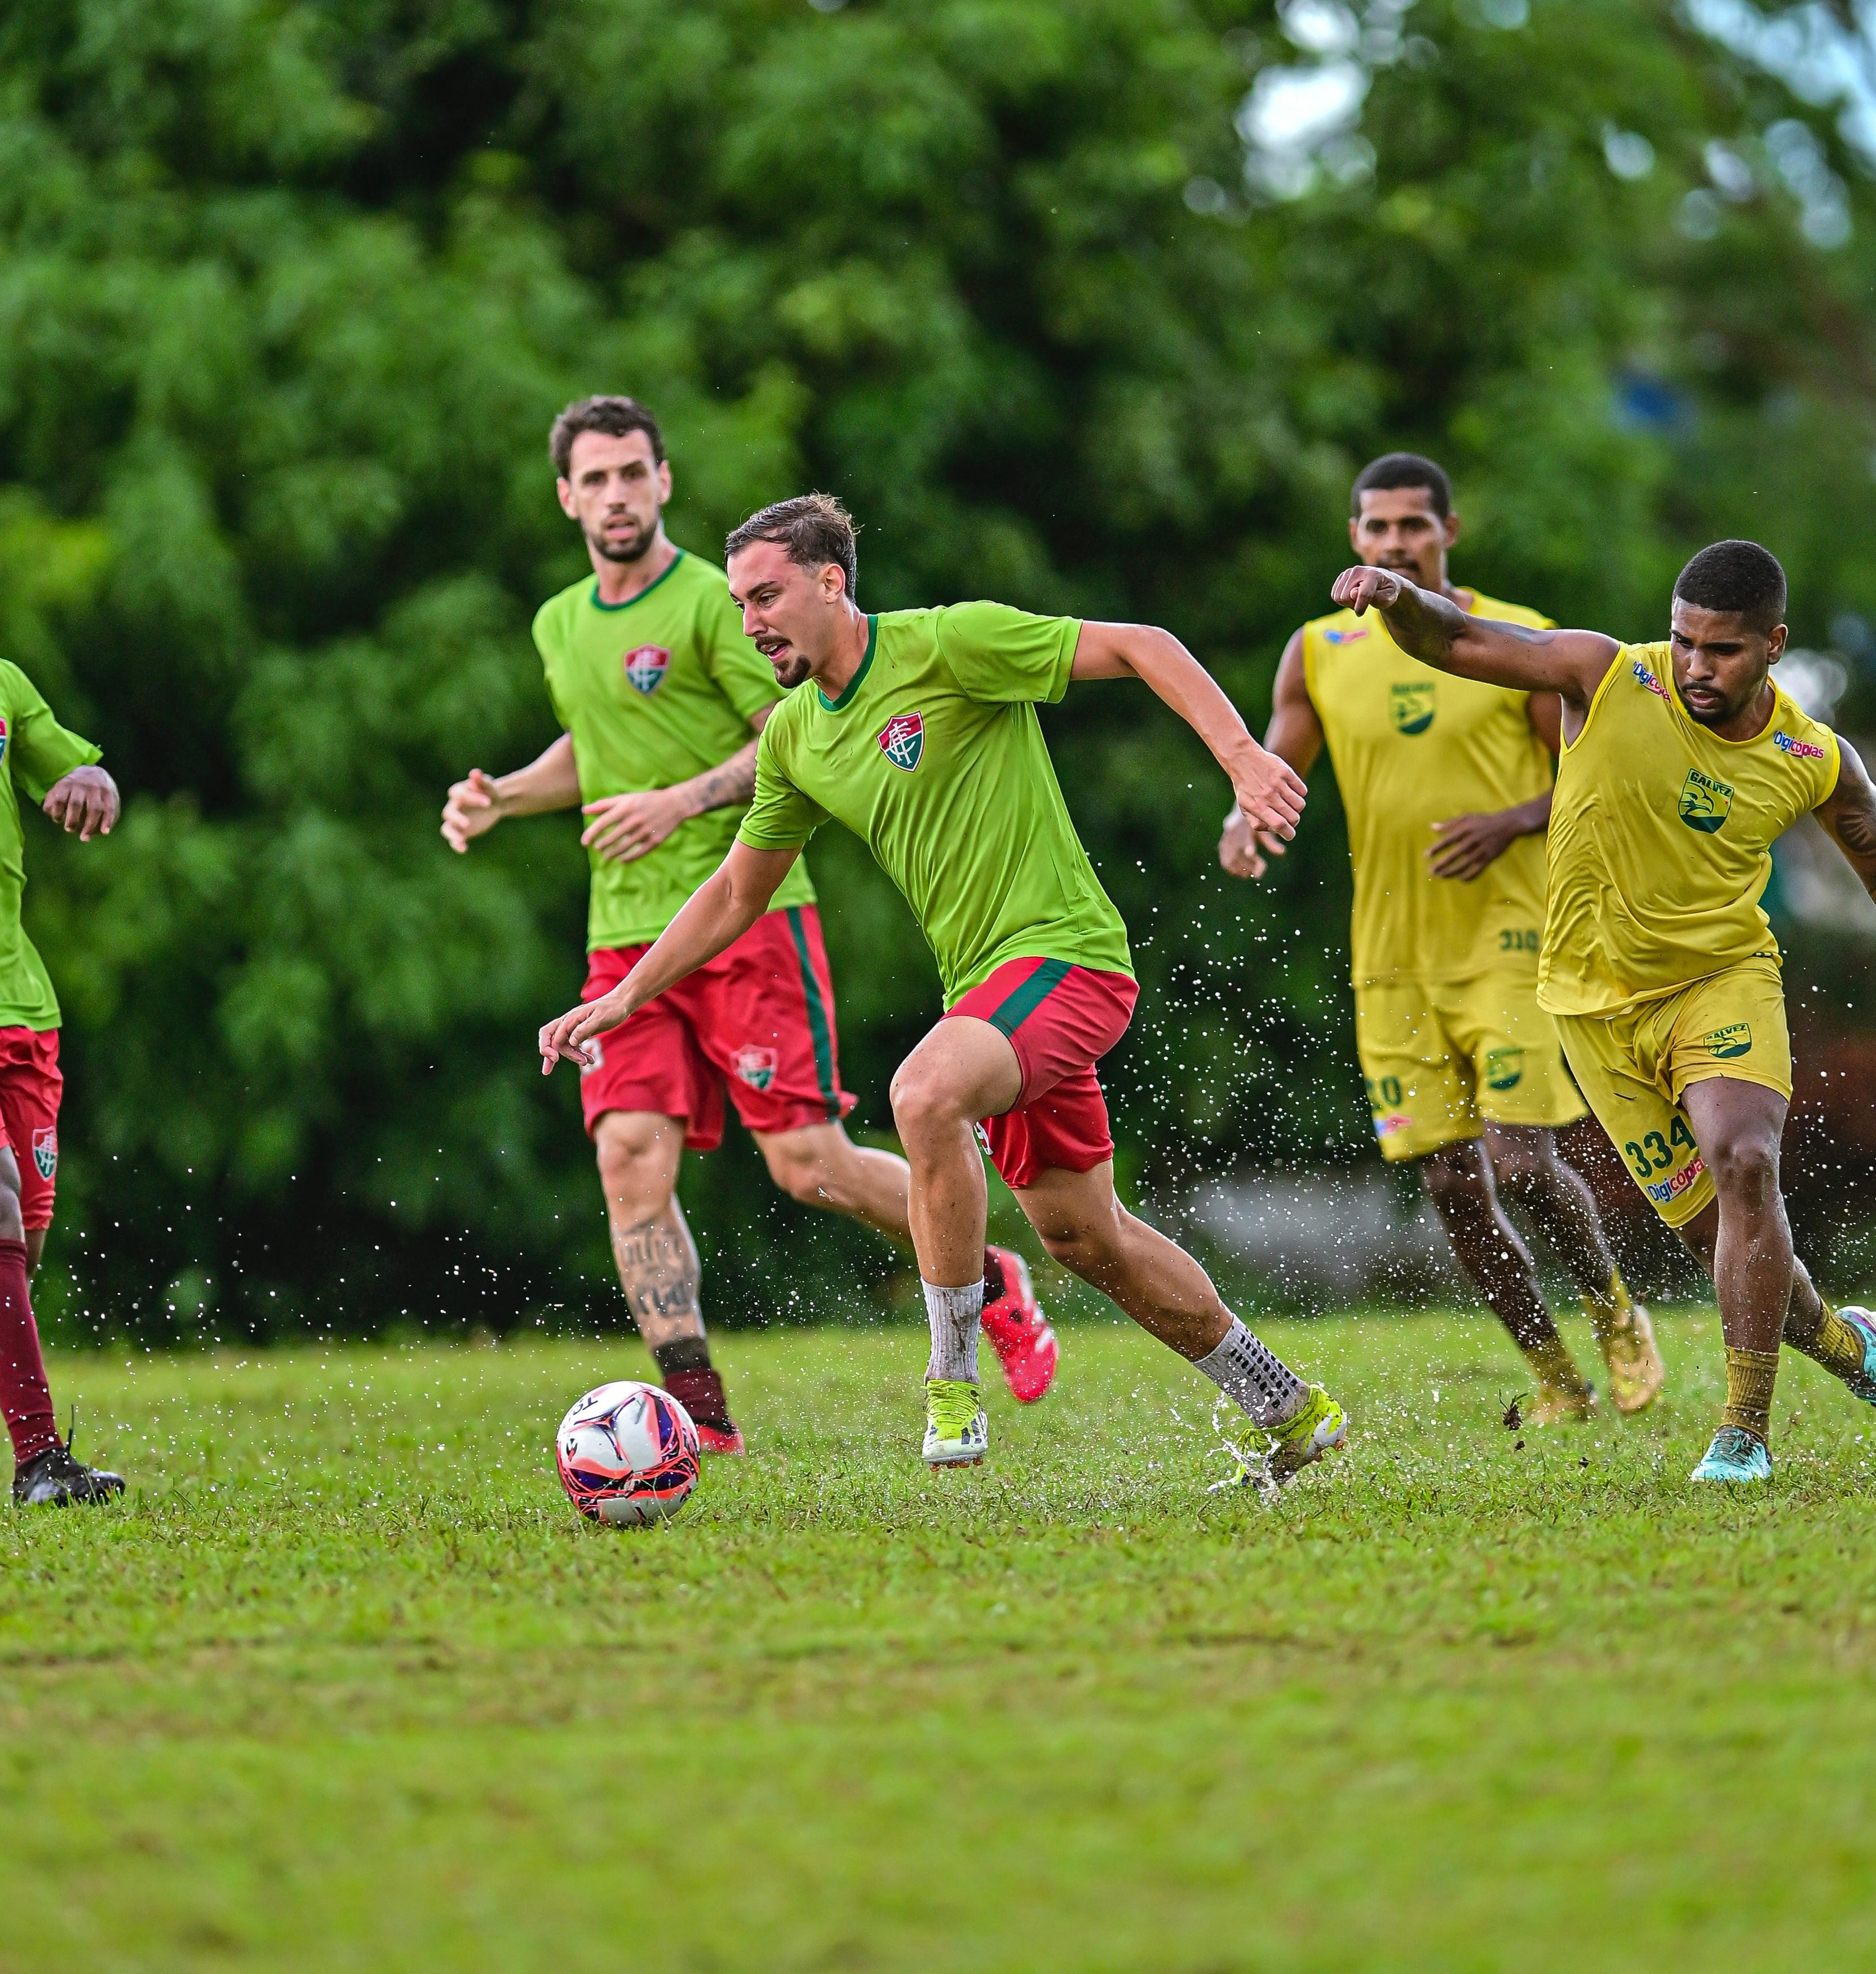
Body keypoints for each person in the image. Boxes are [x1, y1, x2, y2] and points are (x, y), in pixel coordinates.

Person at [538, 492, 1350, 1480]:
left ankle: (952, 1379)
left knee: (922, 1093)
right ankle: (1287, 1403)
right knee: (1085, 1238)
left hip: (1069, 957)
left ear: (832, 584)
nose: (748, 623)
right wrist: (627, 998)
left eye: (766, 597)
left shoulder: (948, 645)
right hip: (987, 995)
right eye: (742, 603)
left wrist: (1244, 759)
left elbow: (1144, 643)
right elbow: (735, 893)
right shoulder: (795, 735)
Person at [445, 403, 1058, 1451]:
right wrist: (505, 795)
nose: (616, 496)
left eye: (632, 473)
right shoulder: (558, 623)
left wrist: (682, 800)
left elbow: (785, 732)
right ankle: (698, 1412)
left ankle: (988, 1272)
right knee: (628, 1157)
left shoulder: (714, 602)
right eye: (594, 480)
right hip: (623, 931)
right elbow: (598, 746)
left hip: (750, 919)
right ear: (566, 498)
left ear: (664, 481)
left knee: (806, 1166)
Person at [1330, 536, 1876, 1482]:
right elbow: (1459, 640)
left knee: (1746, 1162)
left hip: (1721, 980)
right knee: (1736, 1252)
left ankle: (1743, 1435)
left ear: (1775, 645)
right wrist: (1397, 597)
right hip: (1591, 1012)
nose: (1696, 667)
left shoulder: (1813, 757)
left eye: (1724, 651)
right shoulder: (1607, 673)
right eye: (1684, 641)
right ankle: (1848, 1346)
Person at [1222, 453, 1662, 1423]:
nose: (1394, 544)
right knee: (1456, 1185)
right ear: (1354, 541)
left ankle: (1616, 1313)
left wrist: (1509, 821)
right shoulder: (1319, 651)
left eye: (1412, 526)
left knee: (1520, 1165)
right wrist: (1244, 822)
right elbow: (1271, 767)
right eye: (1377, 529)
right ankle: (1554, 1375)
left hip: (1510, 938)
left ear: (1448, 534)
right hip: (1390, 957)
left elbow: (1598, 781)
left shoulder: (1521, 641)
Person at [0, 663, 126, 1505]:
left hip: (20, 1005)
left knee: (26, 1244)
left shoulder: (5, 681)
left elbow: (67, 765)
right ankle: (40, 1461)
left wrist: (91, 778)